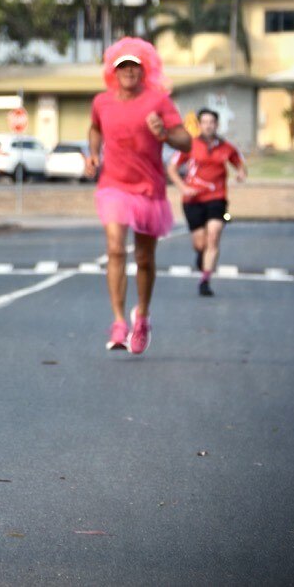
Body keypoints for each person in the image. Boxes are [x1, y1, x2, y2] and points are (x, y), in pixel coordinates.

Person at [84, 38, 191, 355]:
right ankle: (118, 322)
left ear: (144, 70)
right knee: (115, 249)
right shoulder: (101, 102)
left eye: (134, 66)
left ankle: (141, 316)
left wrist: (165, 133)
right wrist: (93, 155)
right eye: (123, 66)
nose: (129, 71)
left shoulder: (158, 100)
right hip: (113, 184)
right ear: (113, 72)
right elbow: (94, 128)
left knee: (144, 258)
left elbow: (185, 142)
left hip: (148, 188)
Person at [167, 108, 246, 297]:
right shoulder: (189, 145)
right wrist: (183, 188)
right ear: (200, 125)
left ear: (216, 125)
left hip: (217, 198)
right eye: (205, 122)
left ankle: (205, 280)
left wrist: (242, 173)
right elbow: (171, 168)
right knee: (200, 243)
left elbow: (240, 164)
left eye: (212, 122)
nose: (208, 125)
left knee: (214, 235)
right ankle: (201, 255)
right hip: (192, 199)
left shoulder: (227, 147)